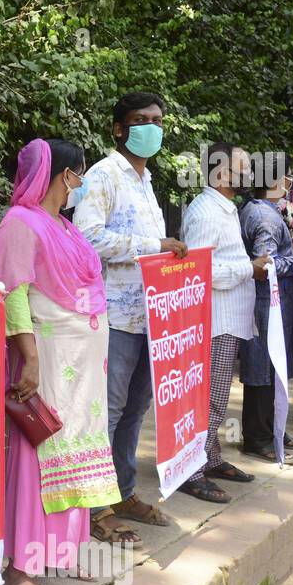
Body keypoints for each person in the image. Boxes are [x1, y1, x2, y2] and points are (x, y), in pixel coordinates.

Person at [0, 138, 118, 585]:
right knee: (36, 451)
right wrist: (29, 358)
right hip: (44, 359)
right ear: (64, 175)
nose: (81, 185)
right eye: (79, 175)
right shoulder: (20, 223)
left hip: (81, 366)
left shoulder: (61, 224)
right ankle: (19, 569)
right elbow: (13, 294)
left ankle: (60, 551)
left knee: (73, 449)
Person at [73, 92, 186, 542]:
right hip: (114, 314)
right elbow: (88, 238)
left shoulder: (145, 179)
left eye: (158, 120)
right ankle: (94, 507)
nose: (151, 127)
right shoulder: (103, 175)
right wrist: (154, 246)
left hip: (150, 315)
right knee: (109, 410)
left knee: (137, 409)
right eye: (141, 120)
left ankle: (122, 492)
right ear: (119, 128)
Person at [176, 144, 269, 503]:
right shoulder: (206, 213)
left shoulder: (224, 207)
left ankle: (211, 458)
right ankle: (191, 471)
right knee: (209, 401)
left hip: (228, 316)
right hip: (214, 319)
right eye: (244, 167)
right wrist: (251, 267)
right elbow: (199, 271)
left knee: (216, 397)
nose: (251, 173)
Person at [240, 172, 293, 460]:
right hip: (266, 302)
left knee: (272, 367)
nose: (289, 182)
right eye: (285, 177)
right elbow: (264, 263)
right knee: (263, 368)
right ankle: (258, 437)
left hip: (273, 301)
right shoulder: (264, 215)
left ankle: (272, 428)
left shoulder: (262, 209)